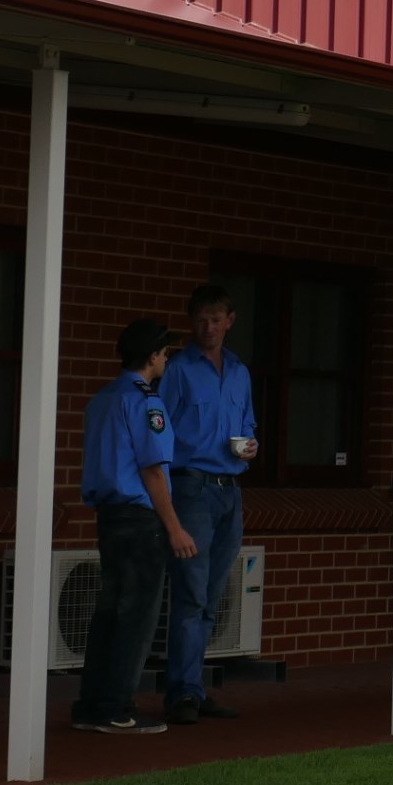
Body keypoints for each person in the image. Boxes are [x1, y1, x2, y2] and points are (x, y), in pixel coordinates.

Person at [75, 318, 197, 735]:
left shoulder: (103, 399)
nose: (166, 358)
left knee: (109, 612)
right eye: (164, 352)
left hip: (108, 516)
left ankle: (91, 702)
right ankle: (117, 706)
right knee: (137, 616)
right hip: (139, 518)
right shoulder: (148, 403)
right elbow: (153, 471)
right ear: (151, 357)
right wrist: (176, 527)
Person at [159, 282, 259, 725]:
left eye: (216, 319)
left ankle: (195, 689)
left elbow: (249, 422)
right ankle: (181, 692)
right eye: (200, 319)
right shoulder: (179, 369)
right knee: (192, 594)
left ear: (230, 321)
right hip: (192, 487)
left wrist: (251, 446)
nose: (208, 327)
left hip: (230, 490)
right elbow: (157, 433)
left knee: (213, 595)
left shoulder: (239, 371)